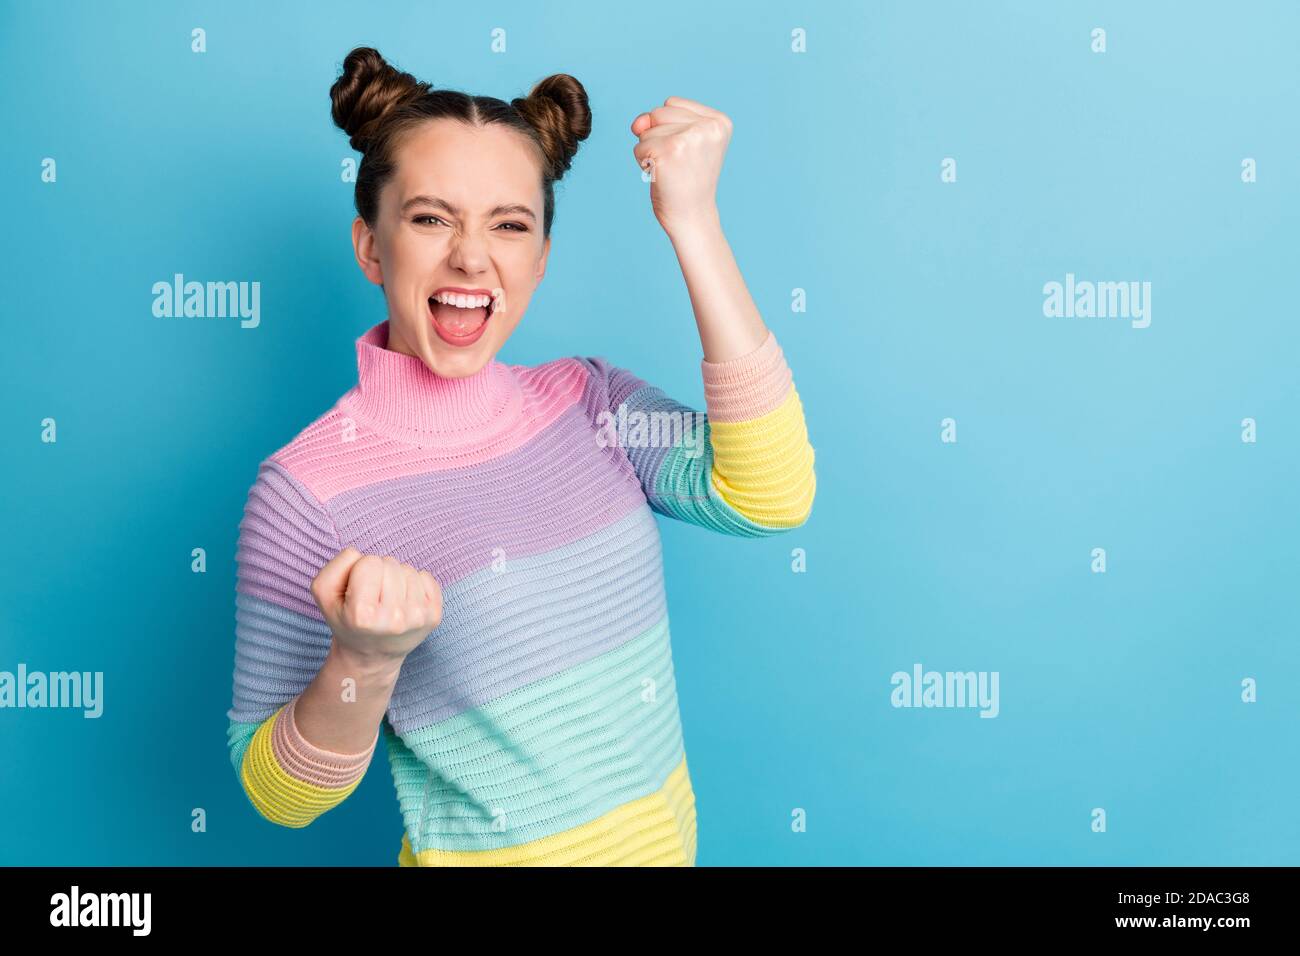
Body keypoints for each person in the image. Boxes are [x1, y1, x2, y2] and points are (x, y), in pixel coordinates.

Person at [225, 46, 816, 866]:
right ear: (370, 248)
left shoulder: (591, 403)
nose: (472, 256)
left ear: (539, 258)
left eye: (510, 224)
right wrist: (362, 661)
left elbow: (769, 495)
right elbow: (278, 796)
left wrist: (695, 222)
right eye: (431, 218)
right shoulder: (307, 490)